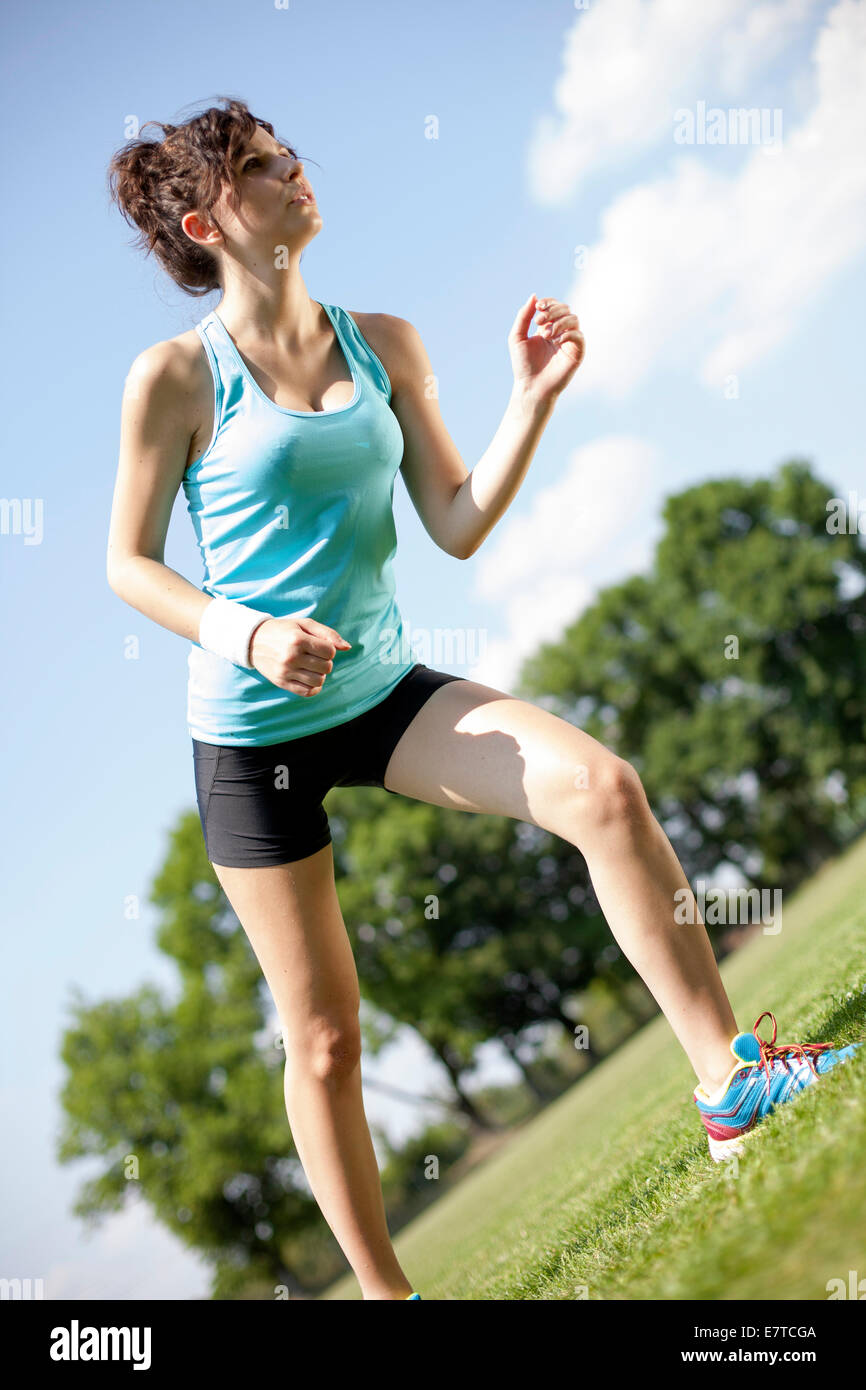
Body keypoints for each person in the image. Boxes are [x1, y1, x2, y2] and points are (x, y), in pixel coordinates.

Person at [105, 97, 859, 1302]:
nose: (298, 172)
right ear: (208, 220)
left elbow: (453, 523)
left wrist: (534, 396)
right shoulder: (175, 380)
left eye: (290, 152)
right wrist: (243, 632)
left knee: (601, 789)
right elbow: (127, 563)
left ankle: (728, 1080)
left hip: (383, 691)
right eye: (262, 171)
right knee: (326, 1039)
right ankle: (388, 1298)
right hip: (252, 737)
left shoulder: (383, 344)